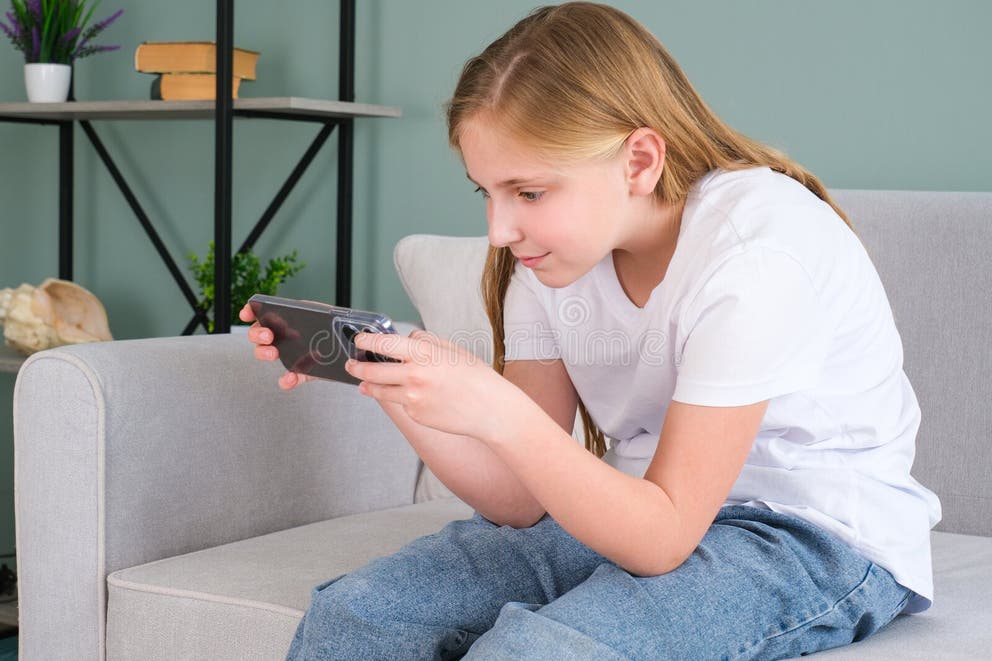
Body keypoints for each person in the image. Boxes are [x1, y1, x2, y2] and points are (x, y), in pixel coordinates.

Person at [243, 3, 941, 658]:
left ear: (638, 161)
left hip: (808, 535)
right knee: (358, 616)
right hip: (629, 507)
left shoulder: (756, 255)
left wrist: (499, 409)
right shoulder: (549, 258)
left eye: (529, 192)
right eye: (486, 191)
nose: (499, 228)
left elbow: (663, 536)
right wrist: (397, 378)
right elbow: (518, 498)